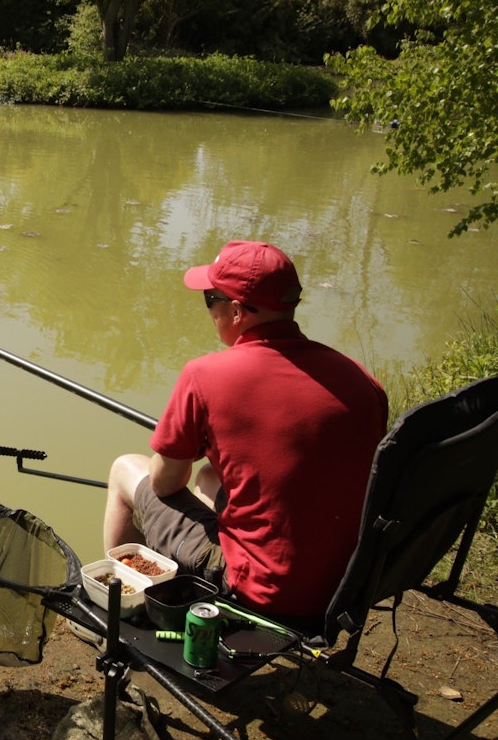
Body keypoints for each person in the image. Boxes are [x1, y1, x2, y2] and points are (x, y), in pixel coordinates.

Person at [102, 240, 388, 621]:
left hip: (265, 591)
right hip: (345, 584)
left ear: (236, 311)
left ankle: (116, 613)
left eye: (209, 299)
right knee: (208, 477)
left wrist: (182, 440)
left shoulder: (205, 376)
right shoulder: (360, 379)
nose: (209, 311)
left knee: (126, 470)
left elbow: (164, 484)